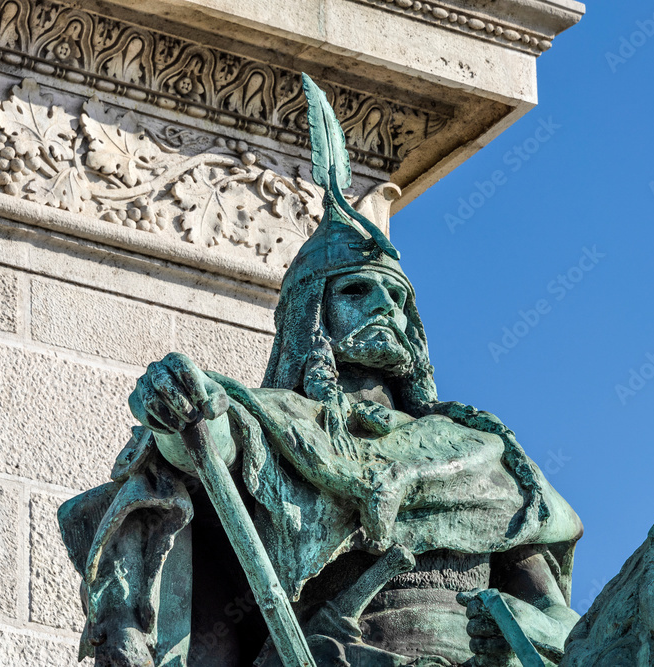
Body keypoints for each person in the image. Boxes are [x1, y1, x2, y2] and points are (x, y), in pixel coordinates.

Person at [58, 75, 582, 667]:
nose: (385, 309)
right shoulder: (280, 424)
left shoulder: (483, 452)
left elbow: (564, 619)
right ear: (314, 318)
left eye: (396, 299)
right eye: (359, 292)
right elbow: (210, 445)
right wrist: (184, 401)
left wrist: (534, 626)